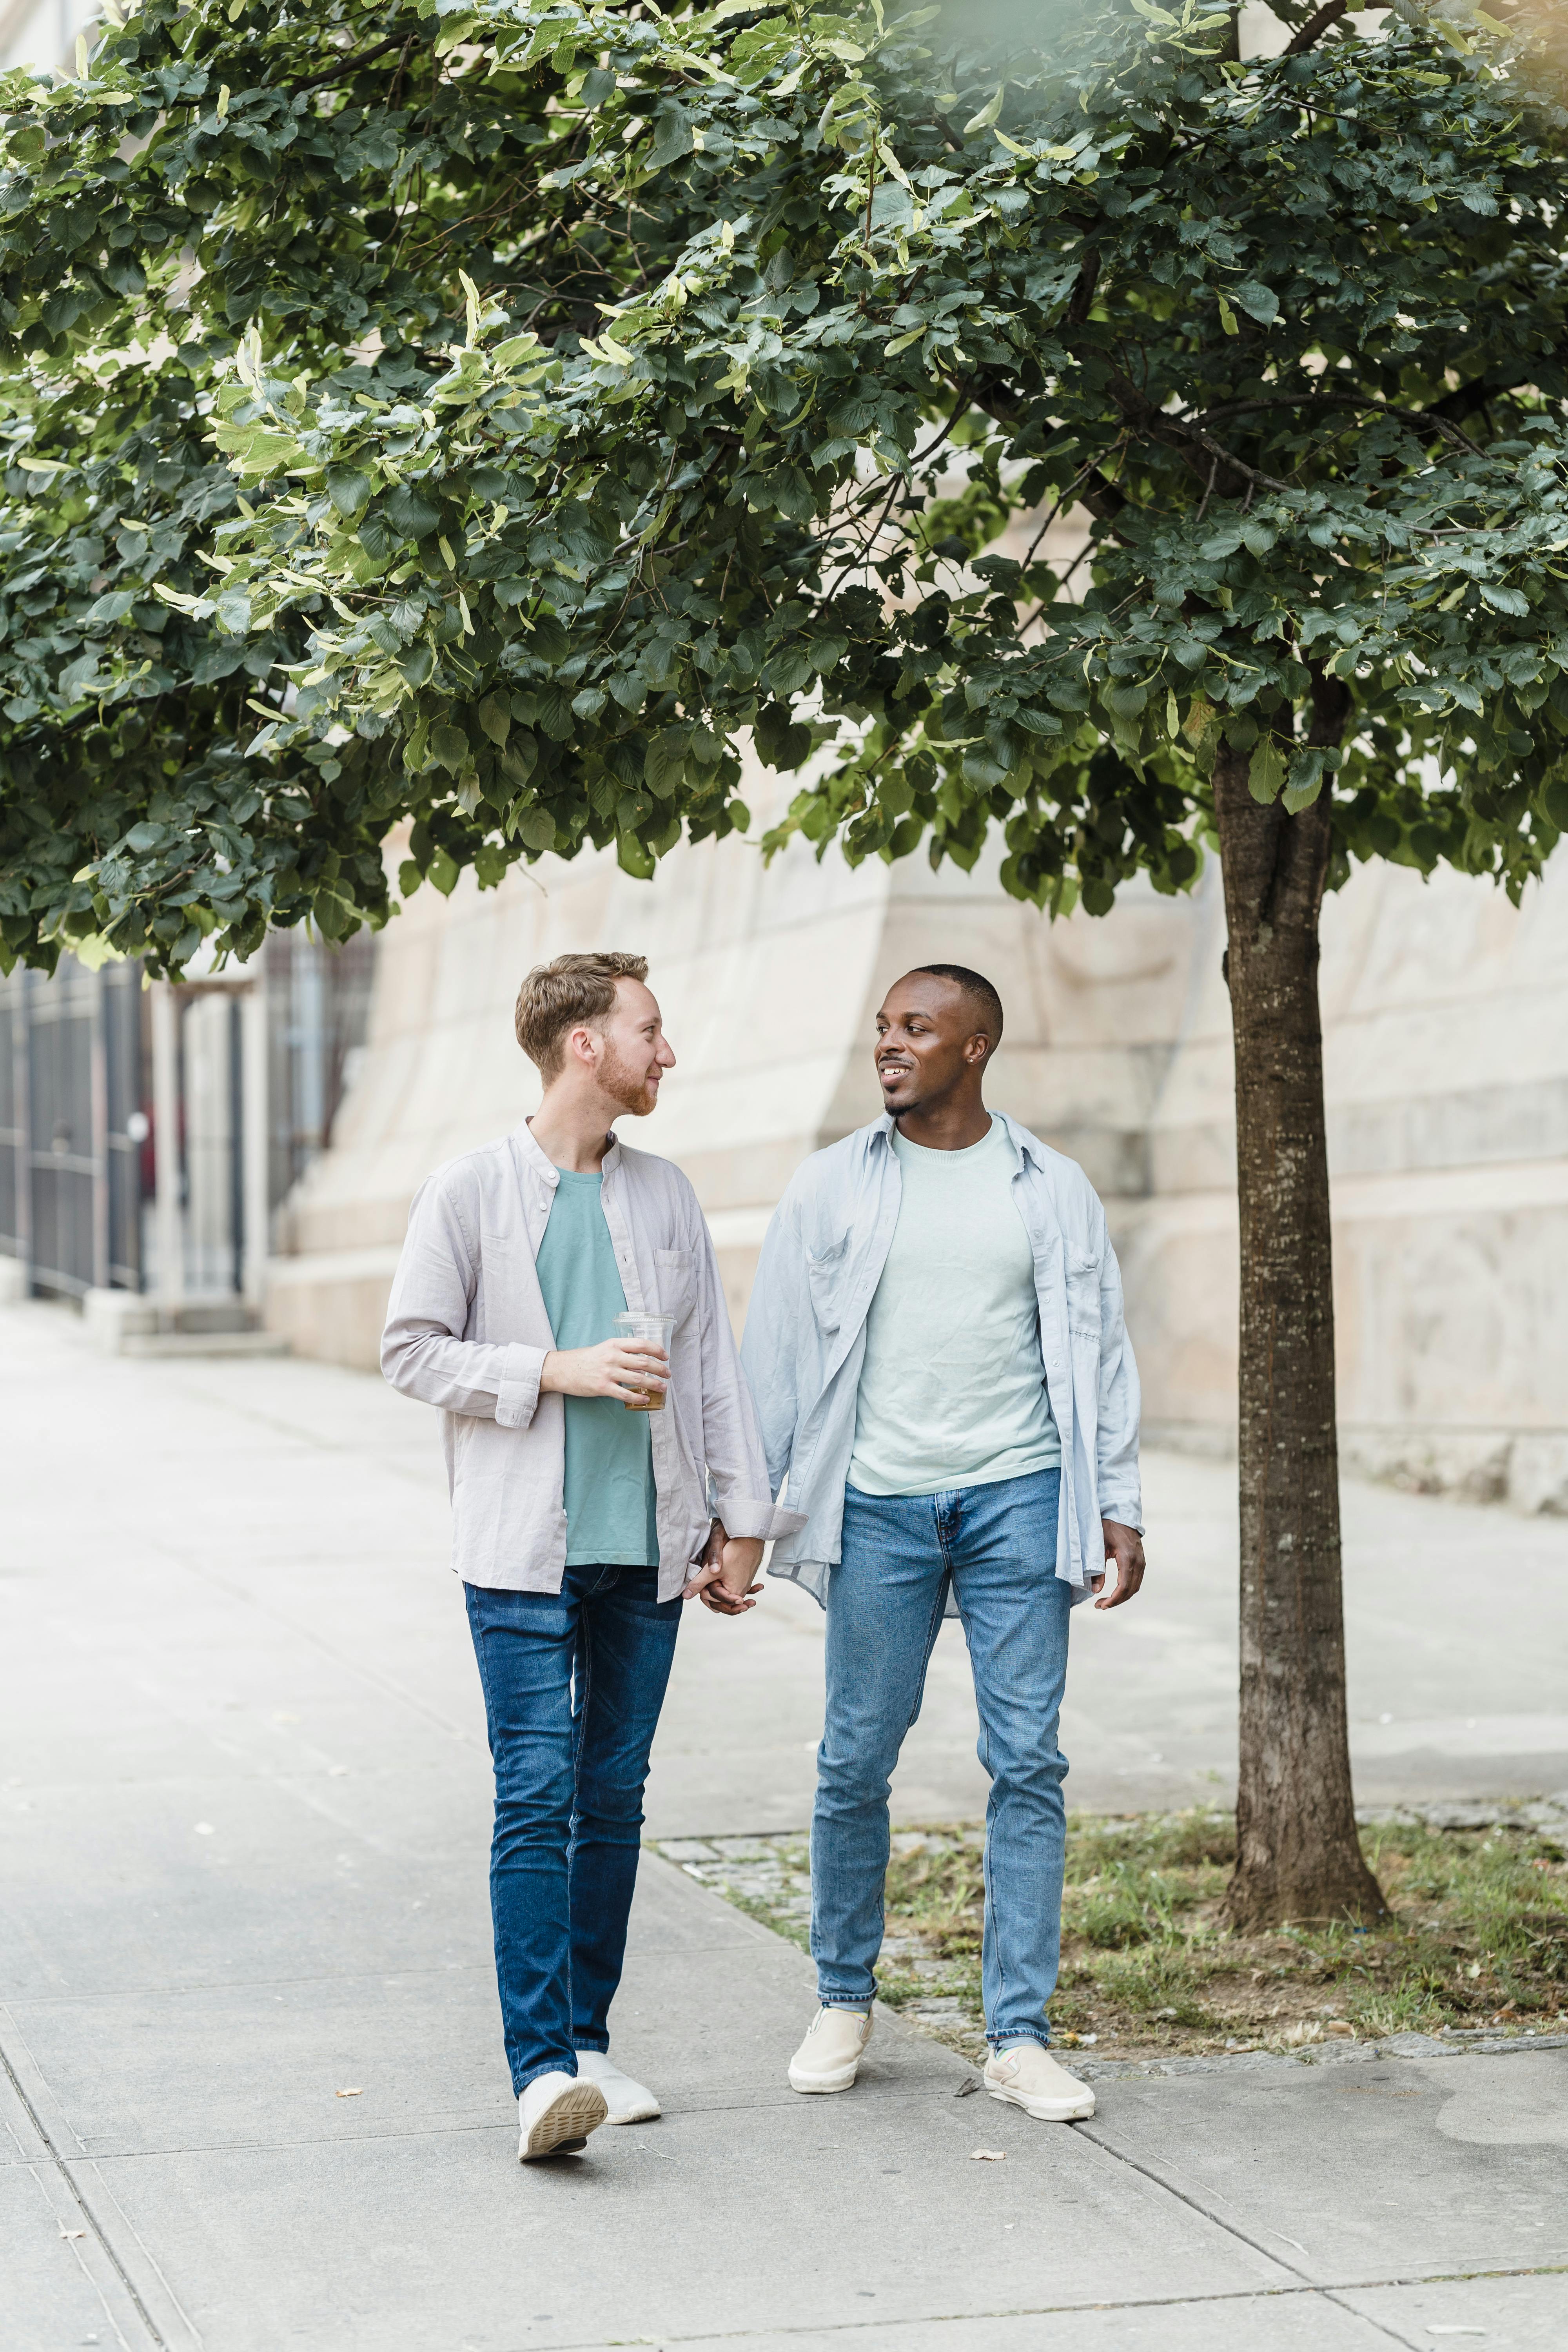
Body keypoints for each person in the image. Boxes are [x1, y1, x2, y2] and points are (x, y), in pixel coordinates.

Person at [382, 951, 798, 2162]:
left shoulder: (665, 1195)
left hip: (650, 1549)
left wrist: (742, 1517)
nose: (666, 1053)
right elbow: (409, 1350)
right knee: (538, 1796)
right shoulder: (467, 1192)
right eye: (650, 1031)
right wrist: (548, 1371)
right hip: (518, 1552)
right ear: (583, 1045)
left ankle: (591, 2044)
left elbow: (712, 1367)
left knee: (612, 1800)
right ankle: (539, 2074)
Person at [740, 964, 1146, 2125]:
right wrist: (746, 1521)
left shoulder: (1050, 1188)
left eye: (916, 1029)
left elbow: (1103, 1354)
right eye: (883, 1028)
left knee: (1029, 1762)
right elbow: (772, 1358)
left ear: (976, 1047)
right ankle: (841, 1999)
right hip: (878, 1501)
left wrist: (1117, 1501)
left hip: (1020, 1492)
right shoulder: (829, 1189)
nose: (890, 1046)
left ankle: (1019, 2035)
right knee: (853, 1756)